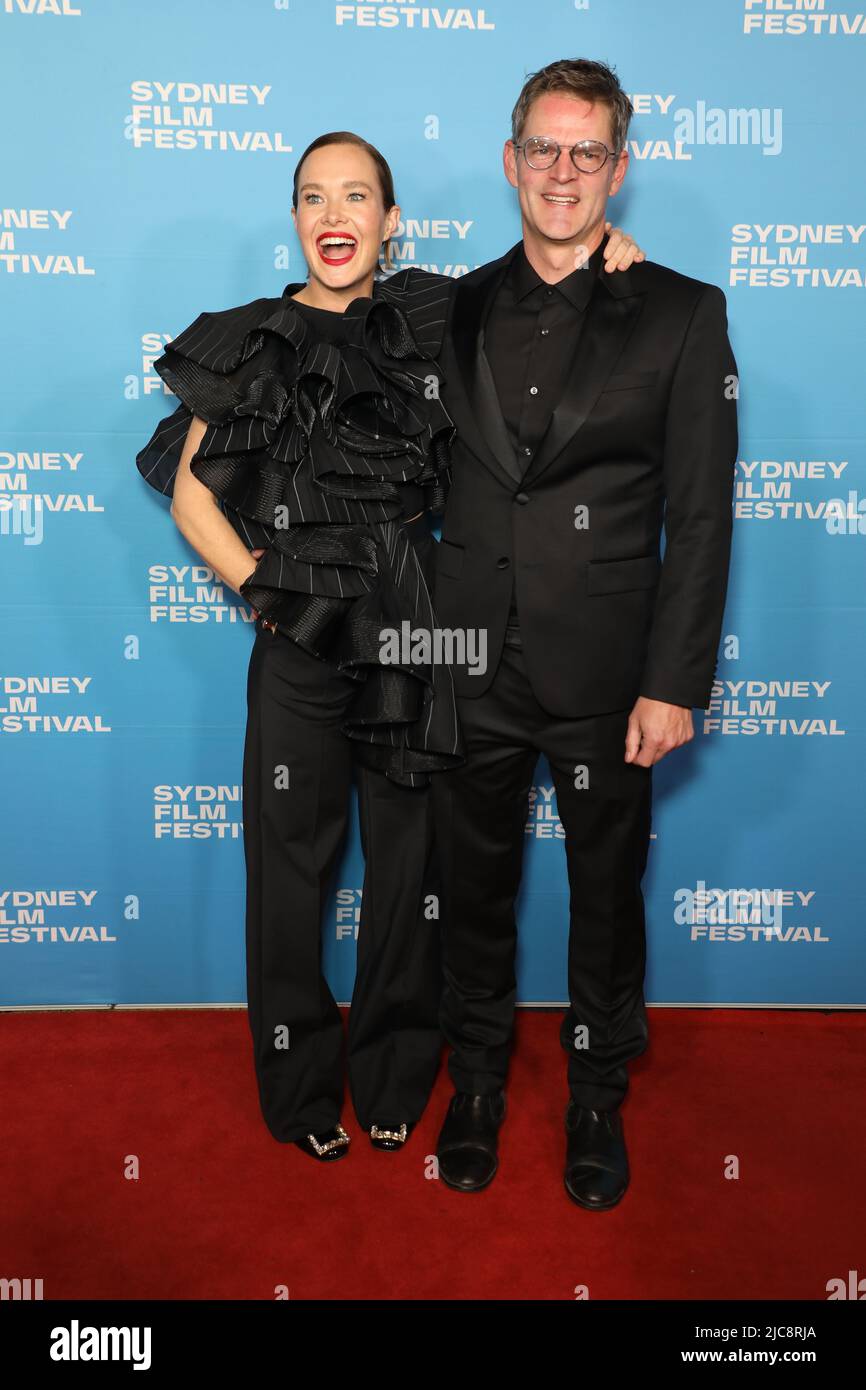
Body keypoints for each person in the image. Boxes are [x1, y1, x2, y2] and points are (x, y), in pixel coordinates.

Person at [135, 128, 646, 1163]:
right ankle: (298, 1088)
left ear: (388, 217)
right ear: (294, 218)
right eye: (314, 197)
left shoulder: (432, 314)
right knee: (288, 869)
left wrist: (606, 256)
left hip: (415, 623)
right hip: (297, 632)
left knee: (412, 862)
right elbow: (194, 494)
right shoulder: (251, 337)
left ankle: (395, 1072)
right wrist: (269, 597)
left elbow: (539, 291)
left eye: (356, 196)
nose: (334, 216)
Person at [429, 59, 738, 1209]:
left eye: (586, 152)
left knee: (605, 898)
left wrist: (672, 680)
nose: (561, 172)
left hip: (607, 673)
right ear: (509, 161)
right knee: (470, 886)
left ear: (619, 165)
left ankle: (596, 1097)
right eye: (542, 150)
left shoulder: (679, 310)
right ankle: (473, 1086)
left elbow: (699, 515)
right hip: (463, 660)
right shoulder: (445, 304)